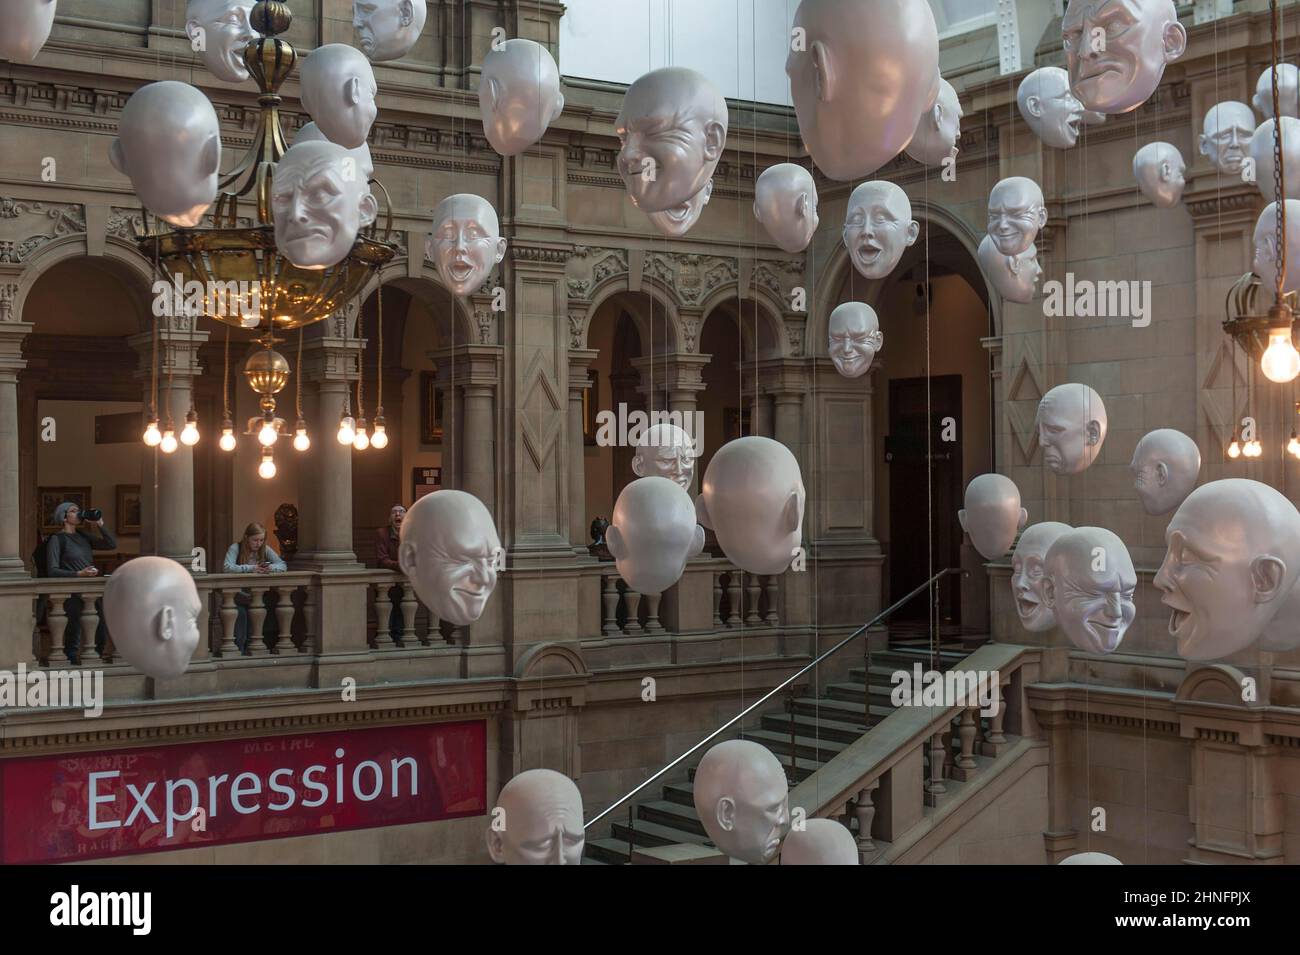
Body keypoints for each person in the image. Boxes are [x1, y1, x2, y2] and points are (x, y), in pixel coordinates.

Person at [45, 502, 116, 662]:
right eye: (73, 511)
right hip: (71, 590)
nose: (78, 513)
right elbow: (53, 570)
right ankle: (71, 660)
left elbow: (111, 544)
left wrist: (100, 524)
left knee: (99, 627)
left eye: (78, 510)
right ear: (64, 517)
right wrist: (79, 573)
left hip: (91, 589)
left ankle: (96, 656)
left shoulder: (83, 536)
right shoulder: (57, 540)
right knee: (73, 628)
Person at [223, 522, 287, 653]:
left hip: (257, 597)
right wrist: (252, 568)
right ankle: (239, 656)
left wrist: (270, 568)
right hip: (238, 598)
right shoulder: (236, 548)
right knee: (240, 634)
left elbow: (282, 565)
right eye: (255, 540)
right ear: (246, 538)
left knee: (255, 634)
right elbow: (227, 567)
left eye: (261, 540)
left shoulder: (265, 549)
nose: (258, 543)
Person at [374, 504, 406, 640]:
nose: (398, 515)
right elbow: (382, 559)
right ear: (390, 518)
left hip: (406, 581)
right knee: (389, 612)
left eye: (401, 512)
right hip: (388, 582)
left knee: (404, 610)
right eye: (394, 512)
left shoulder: (412, 533)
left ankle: (400, 637)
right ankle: (390, 638)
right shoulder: (382, 533)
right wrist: (400, 565)